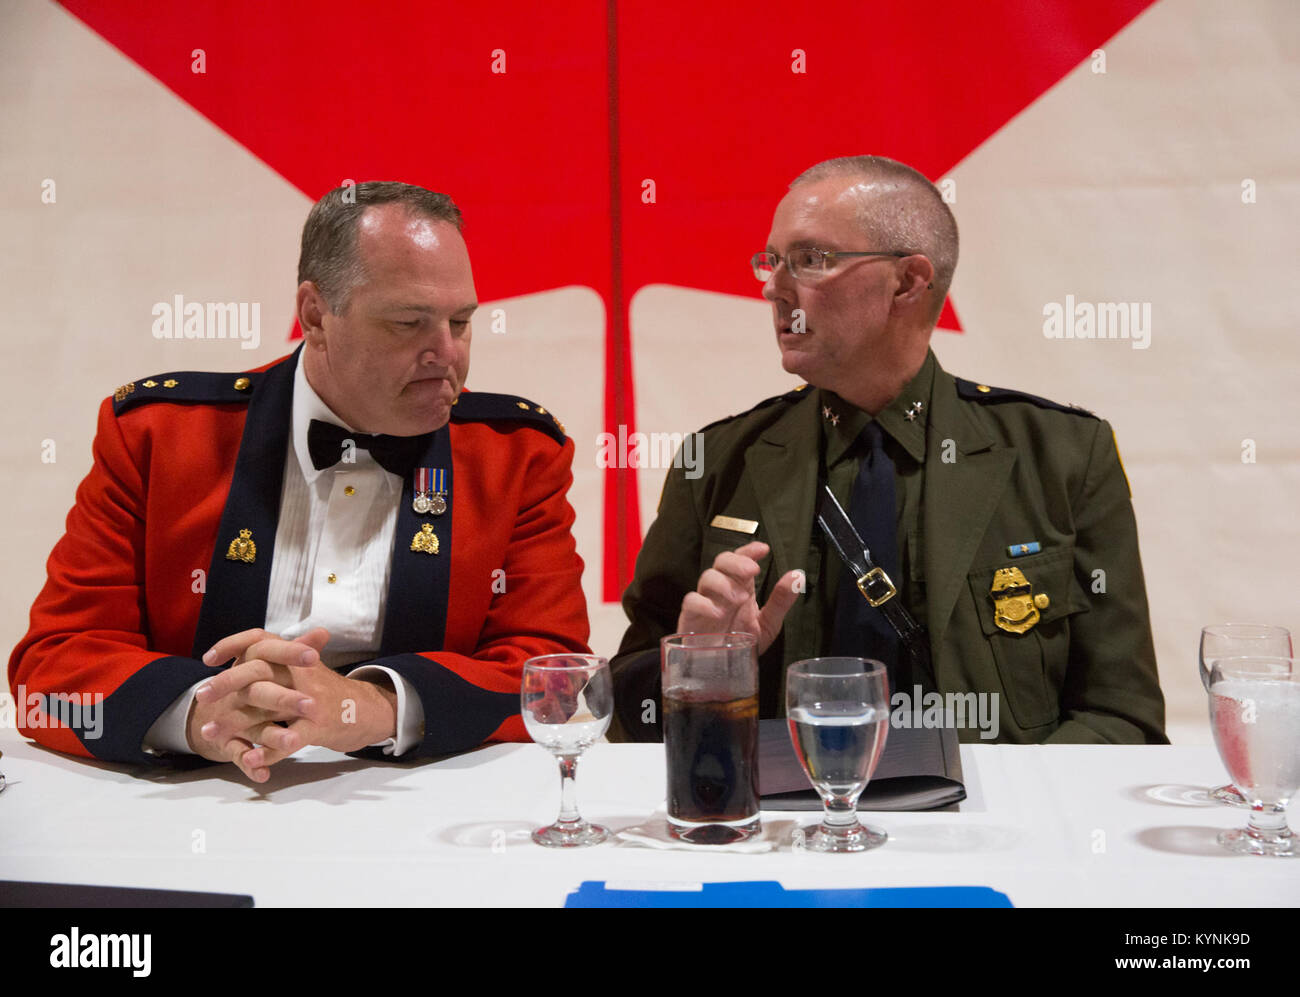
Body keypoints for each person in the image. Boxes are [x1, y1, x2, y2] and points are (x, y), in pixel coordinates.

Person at [9, 182, 590, 782]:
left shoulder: (516, 454)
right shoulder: (159, 436)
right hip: (196, 799)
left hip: (425, 807)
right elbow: (51, 669)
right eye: (408, 322)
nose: (448, 354)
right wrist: (198, 715)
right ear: (315, 315)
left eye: (462, 322)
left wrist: (380, 707)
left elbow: (555, 677)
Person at [611, 155, 1166, 745]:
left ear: (908, 281)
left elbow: (1121, 717)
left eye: (810, 260)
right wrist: (701, 671)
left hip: (989, 826)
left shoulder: (1061, 454)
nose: (773, 287)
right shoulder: (718, 459)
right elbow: (627, 710)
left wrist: (1013, 818)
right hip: (783, 826)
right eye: (772, 261)